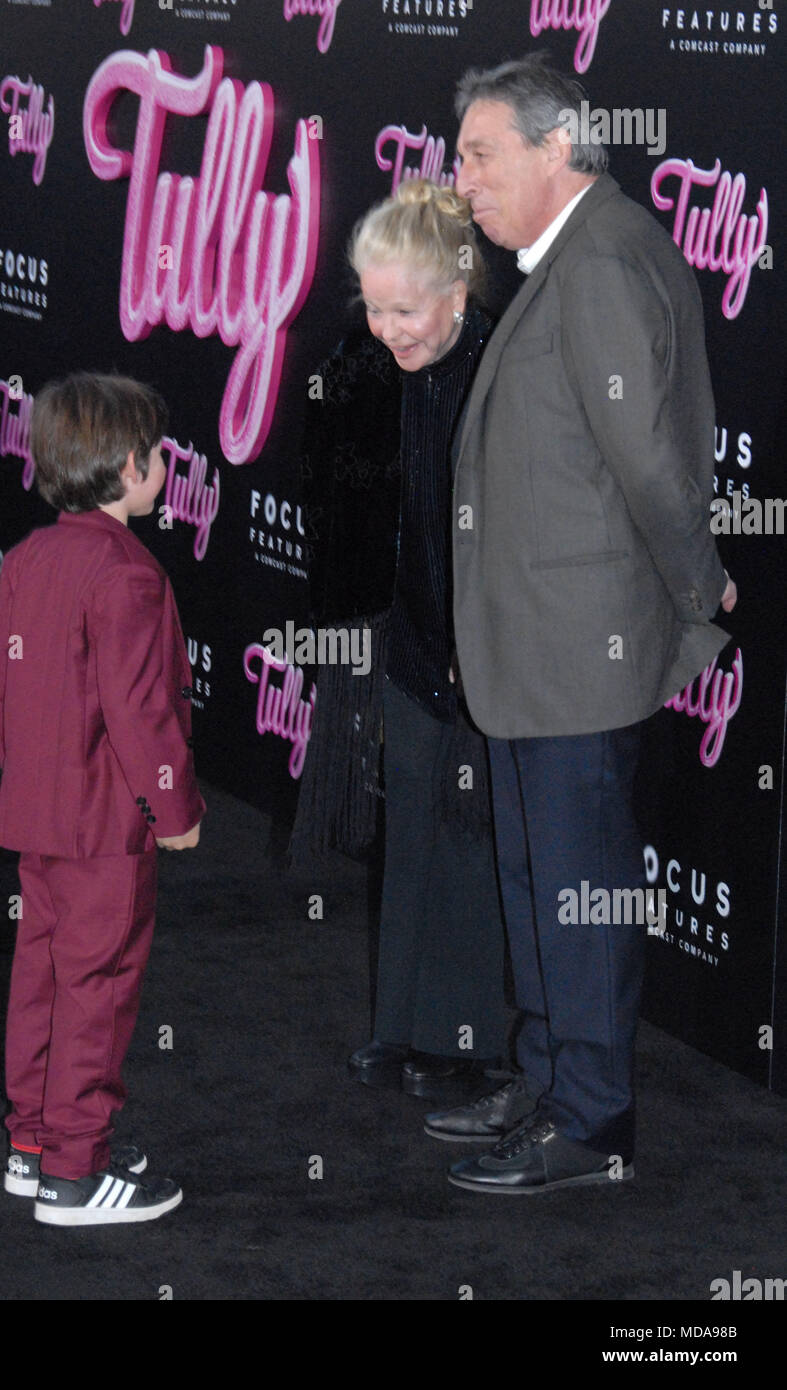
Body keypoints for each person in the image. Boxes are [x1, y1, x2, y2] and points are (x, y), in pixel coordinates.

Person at [425, 56, 737, 1192]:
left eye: (480, 154)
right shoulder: (574, 253)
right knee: (537, 879)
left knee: (576, 886)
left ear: (559, 150)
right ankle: (551, 1069)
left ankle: (591, 1115)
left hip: (577, 652)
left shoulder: (598, 262)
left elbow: (650, 462)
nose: (461, 181)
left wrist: (700, 584)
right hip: (537, 651)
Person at [296, 180, 507, 1102]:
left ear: (458, 293)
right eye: (372, 306)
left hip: (489, 653)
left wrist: (482, 636)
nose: (386, 327)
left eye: (405, 309)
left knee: (470, 846)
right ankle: (400, 1030)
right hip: (406, 638)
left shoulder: (501, 369)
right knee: (412, 837)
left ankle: (467, 1043)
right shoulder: (372, 365)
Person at [0, 372, 205, 1226]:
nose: (165, 466)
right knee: (98, 988)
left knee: (40, 980)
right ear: (127, 465)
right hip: (106, 828)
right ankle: (75, 1175)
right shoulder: (129, 575)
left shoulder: (28, 557)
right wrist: (176, 810)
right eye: (158, 454)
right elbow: (142, 713)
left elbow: (12, 699)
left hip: (36, 815)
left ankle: (34, 1145)